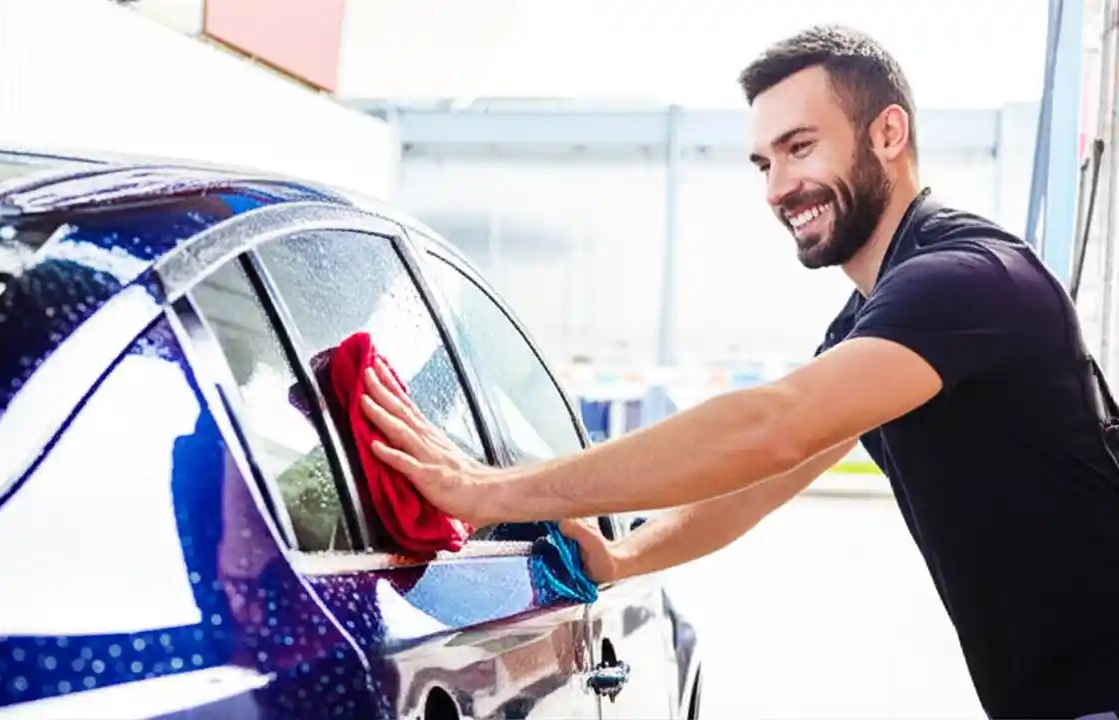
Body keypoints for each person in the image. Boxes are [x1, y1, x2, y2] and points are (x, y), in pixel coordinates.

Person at [358, 24, 1119, 719]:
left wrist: (489, 490)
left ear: (888, 132)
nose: (778, 188)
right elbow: (758, 477)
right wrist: (626, 555)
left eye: (800, 147)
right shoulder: (876, 319)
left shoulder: (965, 279)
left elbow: (770, 426)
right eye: (764, 162)